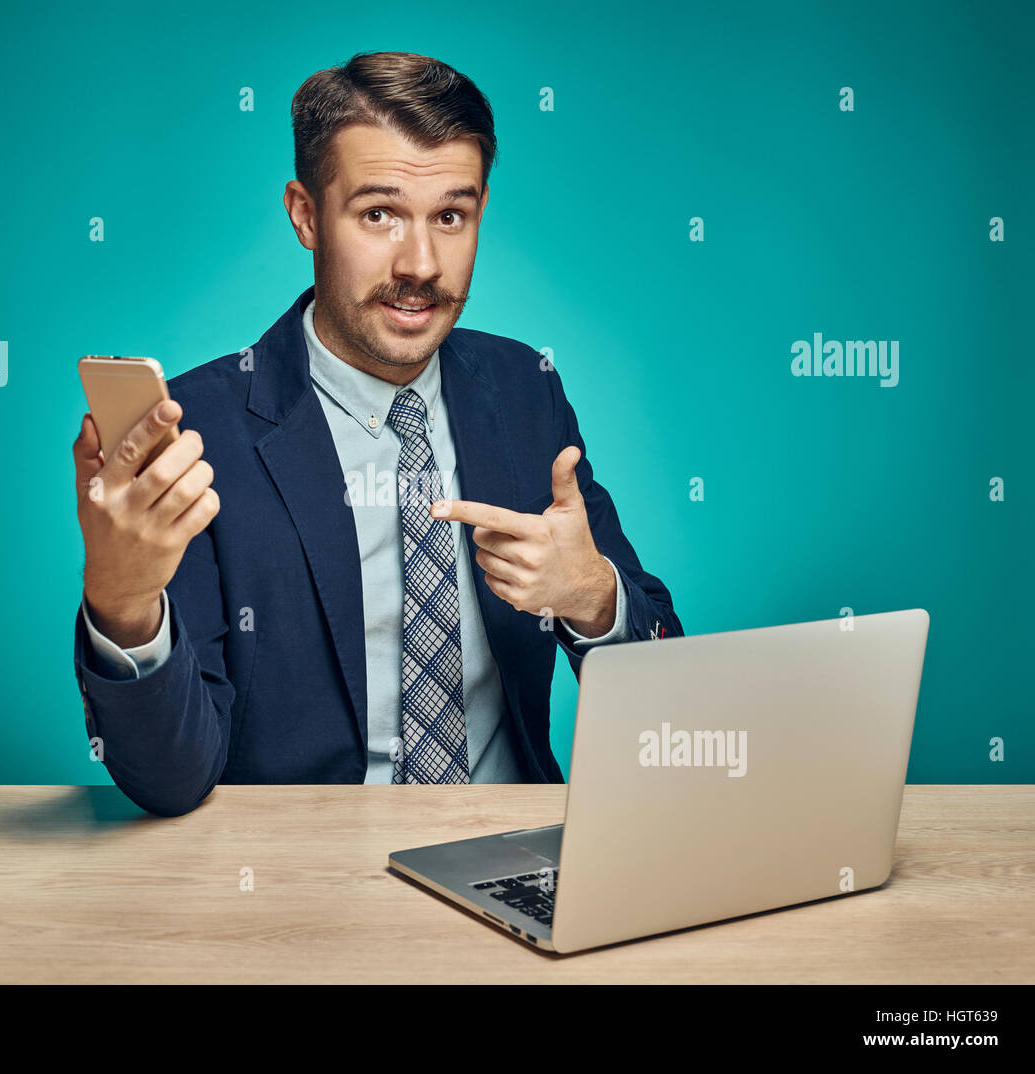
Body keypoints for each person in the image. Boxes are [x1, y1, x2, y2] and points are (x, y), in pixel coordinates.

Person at [71, 51, 683, 817]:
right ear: (305, 215)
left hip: (509, 855)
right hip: (294, 886)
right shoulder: (198, 435)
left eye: (450, 217)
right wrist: (123, 600)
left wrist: (596, 600)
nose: (421, 265)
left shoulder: (526, 388)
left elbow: (666, 696)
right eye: (379, 214)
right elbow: (170, 780)